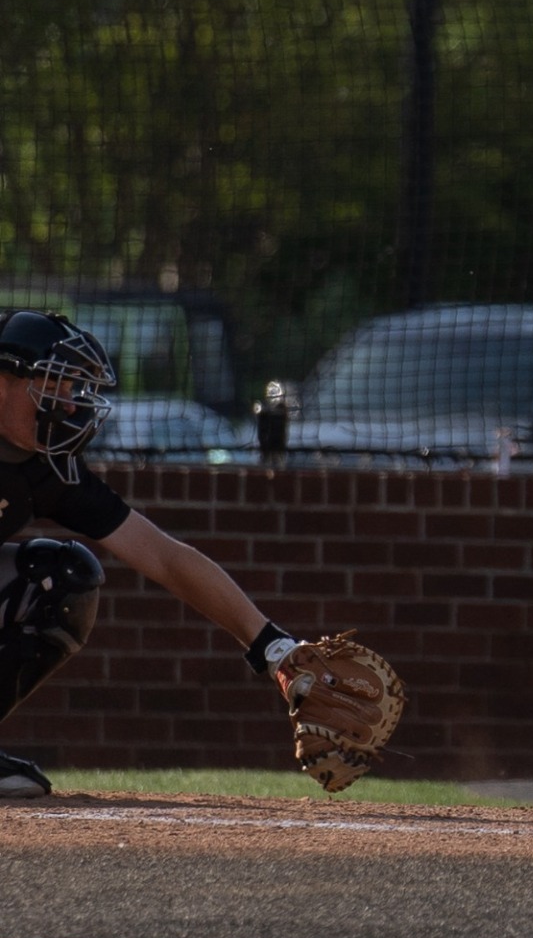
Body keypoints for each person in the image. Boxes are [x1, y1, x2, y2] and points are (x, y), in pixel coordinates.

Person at [0, 310, 315, 797]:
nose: (65, 404)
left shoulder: (48, 471)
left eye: (70, 389)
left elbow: (163, 556)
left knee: (61, 578)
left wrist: (273, 647)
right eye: (51, 384)